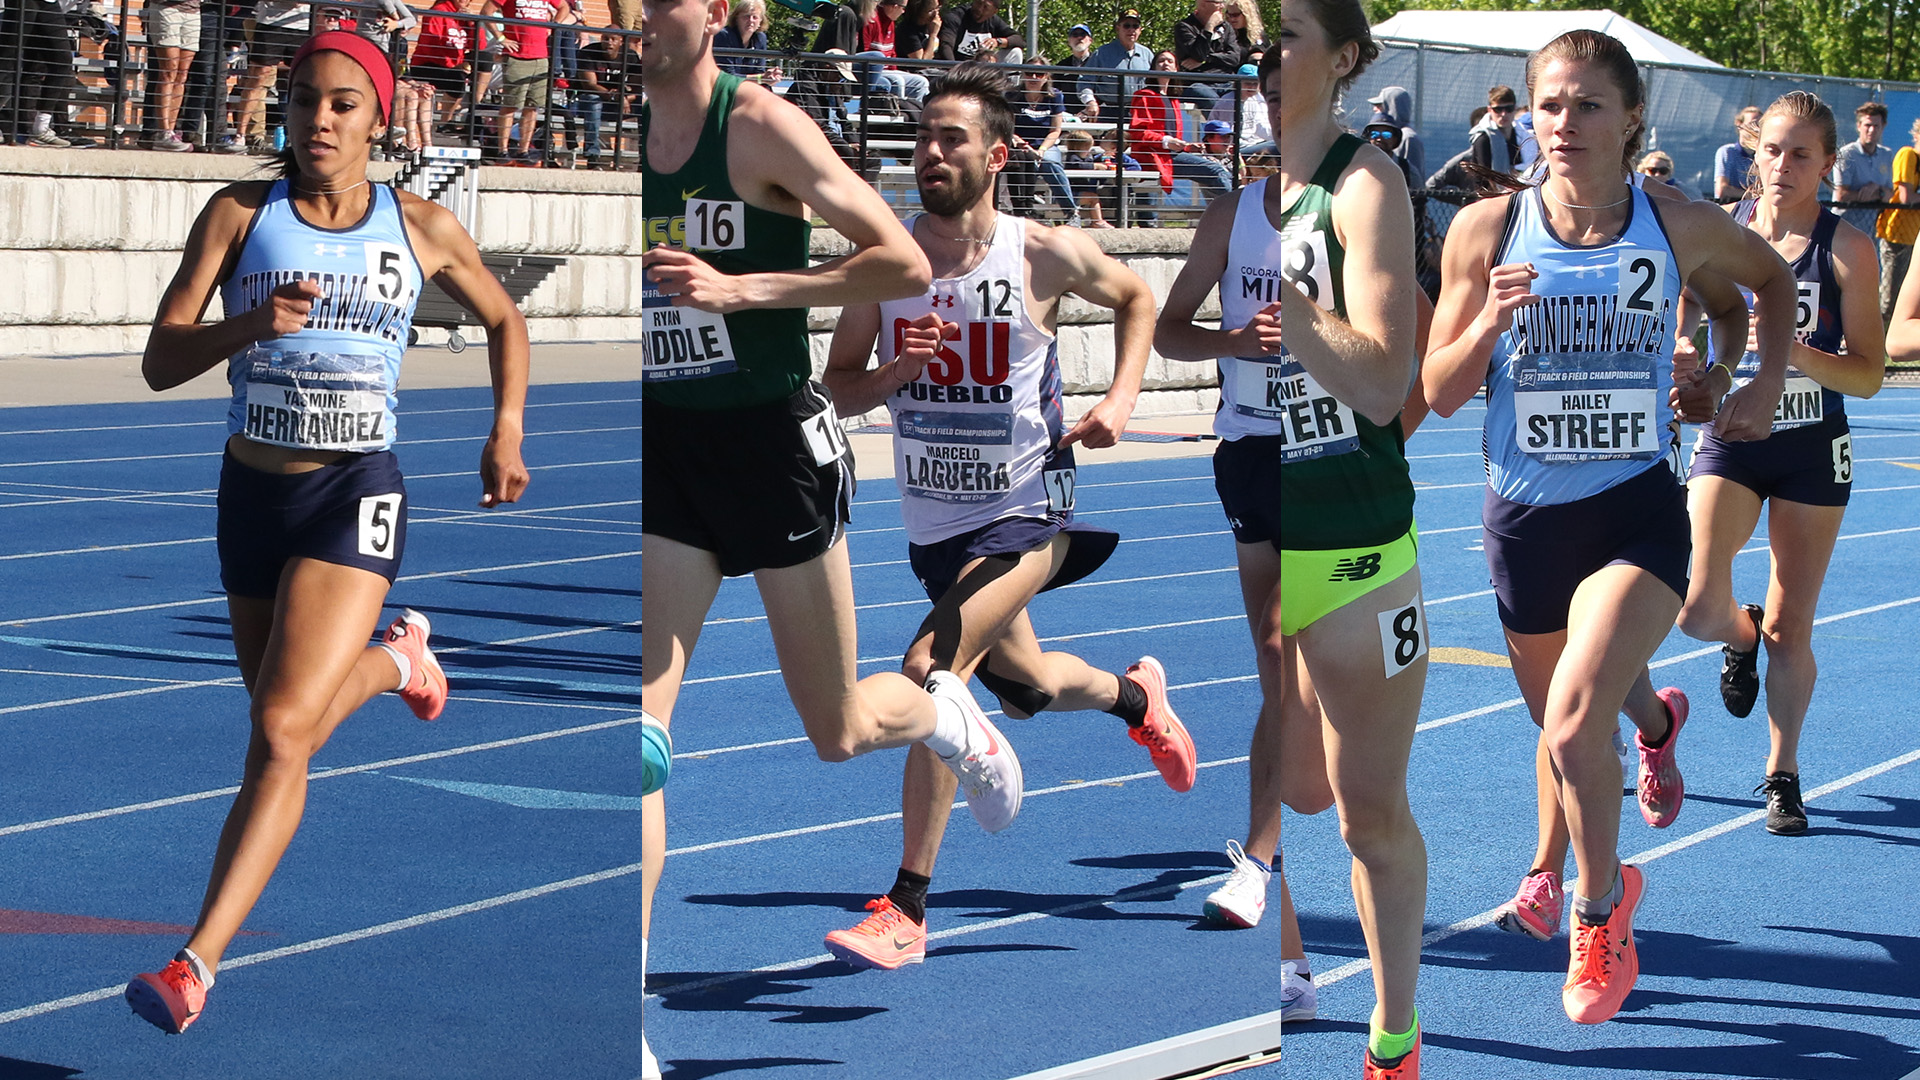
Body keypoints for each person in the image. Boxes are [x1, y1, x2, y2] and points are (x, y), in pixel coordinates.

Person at [638, 1, 1023, 1074]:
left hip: (771, 448)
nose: (632, 15)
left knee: (841, 726)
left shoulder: (756, 127)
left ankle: (950, 718)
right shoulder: (629, 128)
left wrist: (746, 287)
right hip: (670, 444)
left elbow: (900, 262)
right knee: (639, 742)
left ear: (712, 13)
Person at [122, 30, 530, 1034]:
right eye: (303, 101)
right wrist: (249, 328)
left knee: (280, 726)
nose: (318, 120)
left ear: (379, 118)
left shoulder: (418, 224)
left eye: (343, 103)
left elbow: (502, 319)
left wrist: (506, 425)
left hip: (357, 490)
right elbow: (159, 362)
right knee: (279, 741)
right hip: (252, 494)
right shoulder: (237, 215)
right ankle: (400, 663)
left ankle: (194, 966)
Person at [1425, 28, 1799, 1028]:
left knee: (1572, 723)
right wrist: (1485, 328)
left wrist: (1737, 381)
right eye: (1550, 105)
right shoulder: (1485, 233)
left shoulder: (1673, 221)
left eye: (1589, 105)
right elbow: (1439, 391)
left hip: (1636, 513)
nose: (1565, 124)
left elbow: (1763, 284)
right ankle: (1662, 724)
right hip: (1523, 525)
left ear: (1632, 117)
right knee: (1571, 732)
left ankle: (1601, 912)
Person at [818, 62, 1192, 970]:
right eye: (924, 137)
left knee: (929, 673)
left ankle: (906, 906)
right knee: (1019, 688)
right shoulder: (888, 265)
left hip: (1029, 512)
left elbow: (1138, 296)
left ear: (998, 154)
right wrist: (896, 375)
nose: (931, 152)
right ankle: (1140, 699)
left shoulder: (1038, 252)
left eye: (952, 138)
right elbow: (836, 387)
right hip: (936, 526)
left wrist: (1123, 398)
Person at [1159, 22, 1428, 1075]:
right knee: (1307, 776)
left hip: (1355, 521)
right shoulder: (1243, 206)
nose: (1268, 57)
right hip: (1264, 471)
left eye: (1292, 35)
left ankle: (1395, 1038)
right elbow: (1175, 323)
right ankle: (1273, 875)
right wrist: (1239, 340)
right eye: (1261, 41)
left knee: (1367, 817)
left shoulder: (1369, 189)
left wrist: (1299, 319)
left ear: (1347, 57)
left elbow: (1379, 385)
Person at [1675, 91, 1885, 836]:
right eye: (1771, 149)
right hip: (1733, 438)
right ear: (1751, 151)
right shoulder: (1717, 234)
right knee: (1697, 602)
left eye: (1801, 154)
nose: (1782, 166)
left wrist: (1787, 353)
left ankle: (1782, 771)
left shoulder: (1847, 250)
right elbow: (1687, 325)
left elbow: (1869, 373)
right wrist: (1688, 359)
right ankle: (1738, 634)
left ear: (1829, 165)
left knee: (1792, 629)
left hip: (1809, 447)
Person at [1129, 49, 1231, 206]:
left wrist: (1188, 147)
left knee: (1215, 170)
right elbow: (1138, 132)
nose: (1165, 64)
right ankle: (1236, 212)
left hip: (1171, 155)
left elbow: (1171, 137)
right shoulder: (1145, 95)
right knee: (1214, 170)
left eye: (1170, 61)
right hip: (1153, 155)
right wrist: (1167, 141)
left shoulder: (1173, 99)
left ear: (1176, 68)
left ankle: (1221, 215)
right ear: (1154, 68)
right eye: (1161, 61)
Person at [482, 0, 576, 164]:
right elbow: (485, 12)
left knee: (533, 106)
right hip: (517, 56)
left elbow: (564, 6)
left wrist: (554, 24)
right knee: (511, 104)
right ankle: (502, 150)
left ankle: (523, 151)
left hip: (541, 56)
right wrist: (501, 38)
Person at [1009, 62, 1079, 223]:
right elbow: (1009, 128)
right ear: (1023, 75)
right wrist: (1022, 144)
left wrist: (1041, 150)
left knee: (1050, 163)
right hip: (1020, 144)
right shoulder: (1013, 96)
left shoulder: (1055, 96)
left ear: (1046, 77)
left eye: (1039, 74)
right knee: (1025, 161)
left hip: (1045, 144)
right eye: (1029, 73)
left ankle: (1071, 212)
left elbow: (1055, 130)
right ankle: (1024, 211)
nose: (1034, 77)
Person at [408, 0, 476, 140]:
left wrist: (473, 24)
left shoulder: (464, 17)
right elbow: (430, 44)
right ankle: (445, 122)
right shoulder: (439, 11)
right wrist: (453, 64)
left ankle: (447, 122)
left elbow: (480, 45)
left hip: (451, 67)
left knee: (464, 75)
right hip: (425, 64)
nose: (465, 1)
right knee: (456, 79)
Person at [1878, 118, 1920, 321]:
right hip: (1896, 235)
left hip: (1914, 238)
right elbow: (1906, 197)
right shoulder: (1908, 154)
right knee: (1889, 299)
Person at [1833, 103, 1893, 244]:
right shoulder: (1846, 154)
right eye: (1867, 125)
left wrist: (1877, 190)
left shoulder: (1887, 155)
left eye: (1876, 126)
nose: (1871, 130)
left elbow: (1890, 193)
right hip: (1844, 230)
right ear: (1859, 126)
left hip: (1871, 232)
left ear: (1883, 126)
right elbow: (1841, 195)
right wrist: (1874, 194)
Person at [145, 0, 201, 150]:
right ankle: (164, 132)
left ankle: (171, 131)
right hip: (167, 8)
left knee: (182, 74)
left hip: (193, 11)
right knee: (169, 70)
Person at [1078, 8, 1151, 121]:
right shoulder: (1102, 53)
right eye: (1126, 26)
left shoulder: (1147, 54)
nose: (1131, 30)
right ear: (1118, 28)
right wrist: (1090, 101)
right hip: (1109, 112)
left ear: (1140, 30)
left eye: (1135, 26)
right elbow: (1085, 82)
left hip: (1139, 112)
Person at [1173, 0, 1239, 112]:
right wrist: (1209, 26)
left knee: (1240, 99)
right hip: (1197, 84)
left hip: (1225, 82)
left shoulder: (1226, 27)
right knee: (1212, 101)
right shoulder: (1184, 27)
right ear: (1203, 4)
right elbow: (1198, 54)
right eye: (1218, 2)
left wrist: (1207, 58)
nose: (1222, 6)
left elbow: (1234, 58)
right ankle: (1221, 129)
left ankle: (1236, 129)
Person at [859, 0, 929, 103]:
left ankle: (915, 115)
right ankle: (898, 113)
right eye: (903, 8)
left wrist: (894, 69)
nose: (903, 12)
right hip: (874, 72)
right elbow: (864, 51)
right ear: (894, 7)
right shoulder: (871, 21)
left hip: (888, 71)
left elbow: (892, 55)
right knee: (898, 81)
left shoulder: (891, 22)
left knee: (921, 82)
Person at [1366, 85, 1423, 181]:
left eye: (1379, 105)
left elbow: (1412, 181)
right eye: (1375, 134)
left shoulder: (1408, 137)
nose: (1375, 109)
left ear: (1393, 106)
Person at [936, 0, 1021, 64]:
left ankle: (1010, 86)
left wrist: (998, 41)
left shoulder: (994, 21)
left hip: (982, 68)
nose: (979, 9)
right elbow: (946, 46)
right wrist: (954, 70)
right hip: (959, 66)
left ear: (994, 11)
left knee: (1016, 52)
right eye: (978, 3)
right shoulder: (956, 17)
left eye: (985, 7)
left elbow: (1019, 40)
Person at [1467, 84, 1521, 178]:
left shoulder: (1522, 135)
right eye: (1498, 110)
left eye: (1509, 109)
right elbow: (1485, 177)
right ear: (1489, 110)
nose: (1503, 114)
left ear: (1515, 108)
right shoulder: (1483, 139)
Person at [714, 0, 775, 79]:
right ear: (736, 18)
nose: (751, 21)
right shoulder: (724, 35)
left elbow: (760, 71)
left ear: (761, 21)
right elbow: (727, 75)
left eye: (755, 17)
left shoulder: (761, 38)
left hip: (750, 86)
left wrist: (770, 77)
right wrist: (761, 78)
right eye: (746, 16)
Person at [1714, 105, 1761, 201]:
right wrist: (1749, 195)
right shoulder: (1727, 152)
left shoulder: (1762, 155)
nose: (1756, 129)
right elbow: (1721, 190)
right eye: (1752, 124)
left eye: (1759, 125)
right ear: (1739, 124)